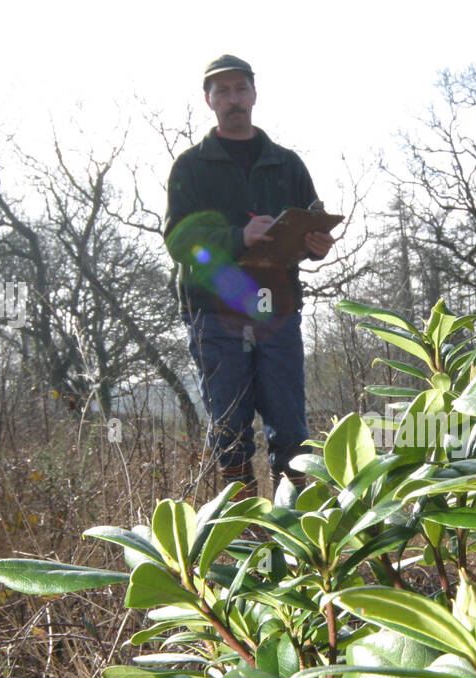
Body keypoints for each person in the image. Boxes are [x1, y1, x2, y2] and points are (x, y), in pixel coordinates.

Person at [164, 54, 334, 498]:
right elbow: (180, 243)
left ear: (254, 94)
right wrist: (237, 237)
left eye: (241, 89)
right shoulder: (191, 167)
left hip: (275, 309)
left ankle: (295, 529)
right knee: (230, 428)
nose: (233, 99)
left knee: (291, 426)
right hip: (214, 312)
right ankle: (244, 536)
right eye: (223, 91)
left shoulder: (287, 164)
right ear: (208, 100)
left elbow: (308, 223)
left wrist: (314, 246)